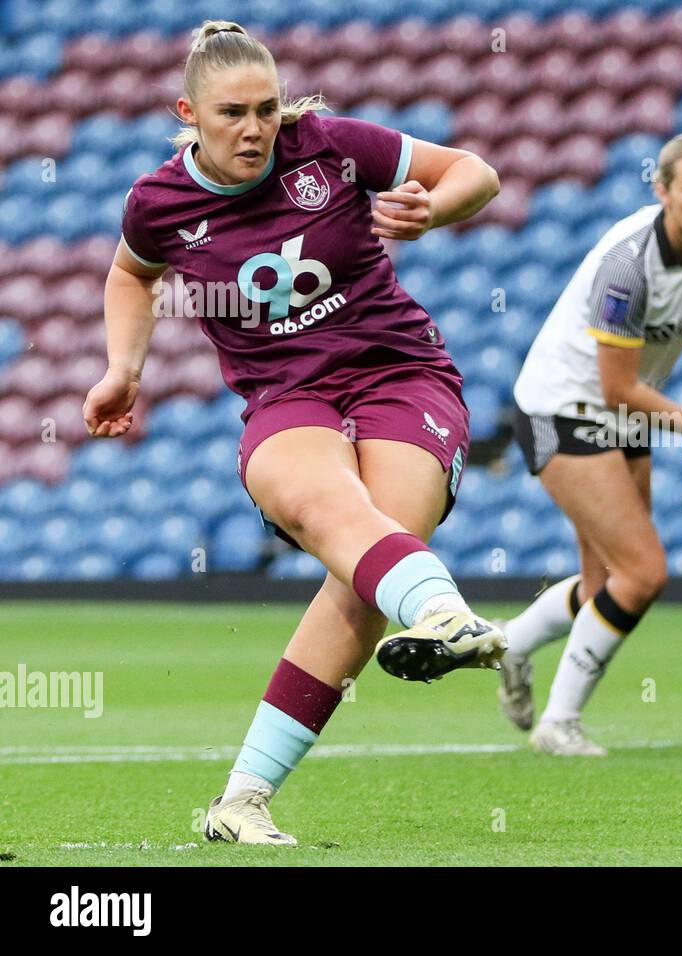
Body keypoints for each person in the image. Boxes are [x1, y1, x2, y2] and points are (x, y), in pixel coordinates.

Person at [83, 21, 505, 844]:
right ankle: (450, 613)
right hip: (285, 395)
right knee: (335, 517)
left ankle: (240, 802)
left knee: (369, 566)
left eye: (267, 110)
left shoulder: (333, 147)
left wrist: (434, 210)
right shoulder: (160, 202)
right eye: (232, 113)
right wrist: (122, 369)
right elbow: (132, 273)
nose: (253, 130)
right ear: (189, 113)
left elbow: (476, 173)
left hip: (401, 373)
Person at [499, 132, 682, 756]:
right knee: (643, 573)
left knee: (603, 583)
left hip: (620, 413)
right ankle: (560, 723)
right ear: (662, 191)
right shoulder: (628, 269)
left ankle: (510, 647)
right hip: (564, 409)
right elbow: (619, 391)